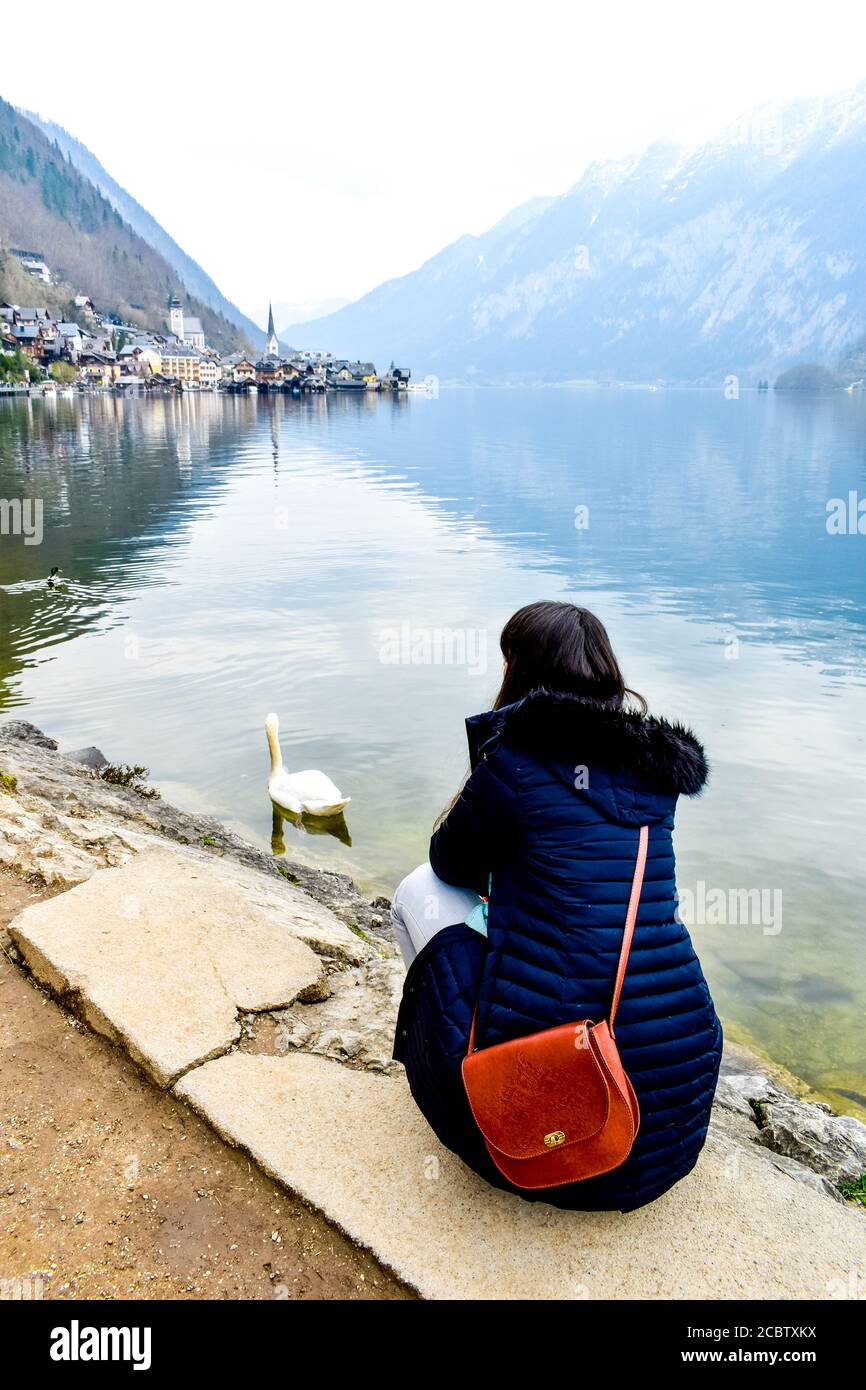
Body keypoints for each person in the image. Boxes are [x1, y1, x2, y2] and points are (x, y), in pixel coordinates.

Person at [392, 600, 722, 1212]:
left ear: (518, 669)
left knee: (418, 889)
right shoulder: (653, 776)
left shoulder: (517, 763)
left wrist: (490, 760)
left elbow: (450, 864)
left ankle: (435, 1056)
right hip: (666, 1140)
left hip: (535, 1144)